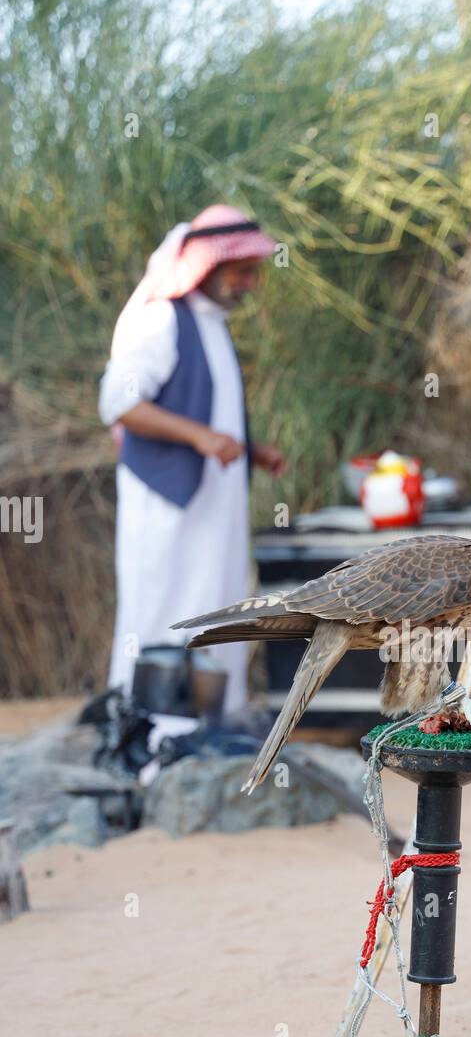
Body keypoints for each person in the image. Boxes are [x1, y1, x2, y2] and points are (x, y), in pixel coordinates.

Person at [98, 204, 287, 714]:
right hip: (165, 503)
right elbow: (118, 402)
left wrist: (253, 449)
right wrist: (200, 438)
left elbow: (210, 407)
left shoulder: (210, 324)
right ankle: (150, 734)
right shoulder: (160, 319)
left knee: (211, 610)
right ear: (207, 265)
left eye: (253, 271)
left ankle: (202, 731)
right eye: (241, 270)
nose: (250, 282)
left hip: (211, 510)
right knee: (162, 612)